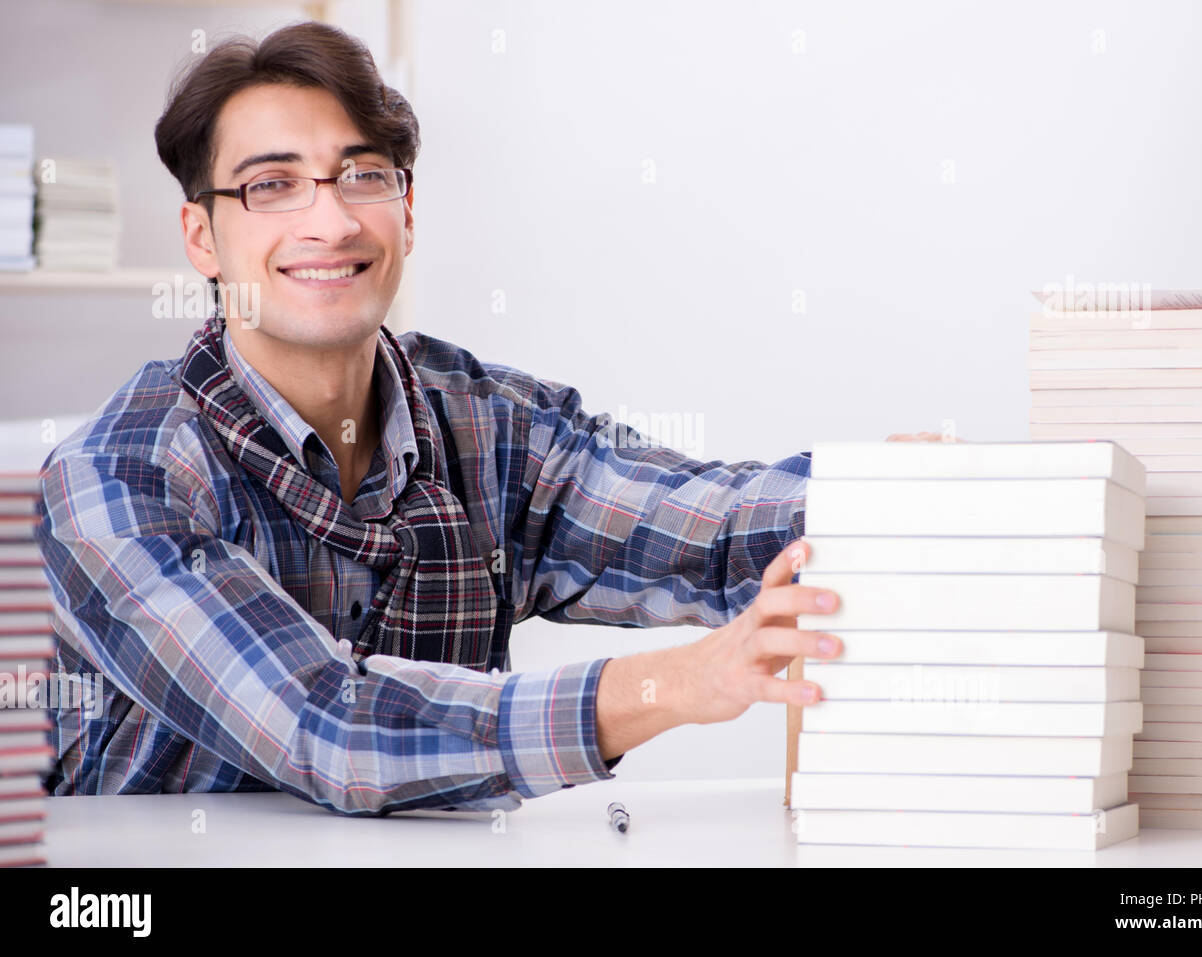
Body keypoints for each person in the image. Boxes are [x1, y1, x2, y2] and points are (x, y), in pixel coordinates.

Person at [35, 21, 944, 815]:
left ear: (408, 209)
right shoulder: (116, 481)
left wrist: (889, 498)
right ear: (201, 235)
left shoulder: (487, 425)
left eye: (363, 176)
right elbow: (330, 727)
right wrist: (674, 682)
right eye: (272, 185)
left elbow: (703, 528)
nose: (330, 219)